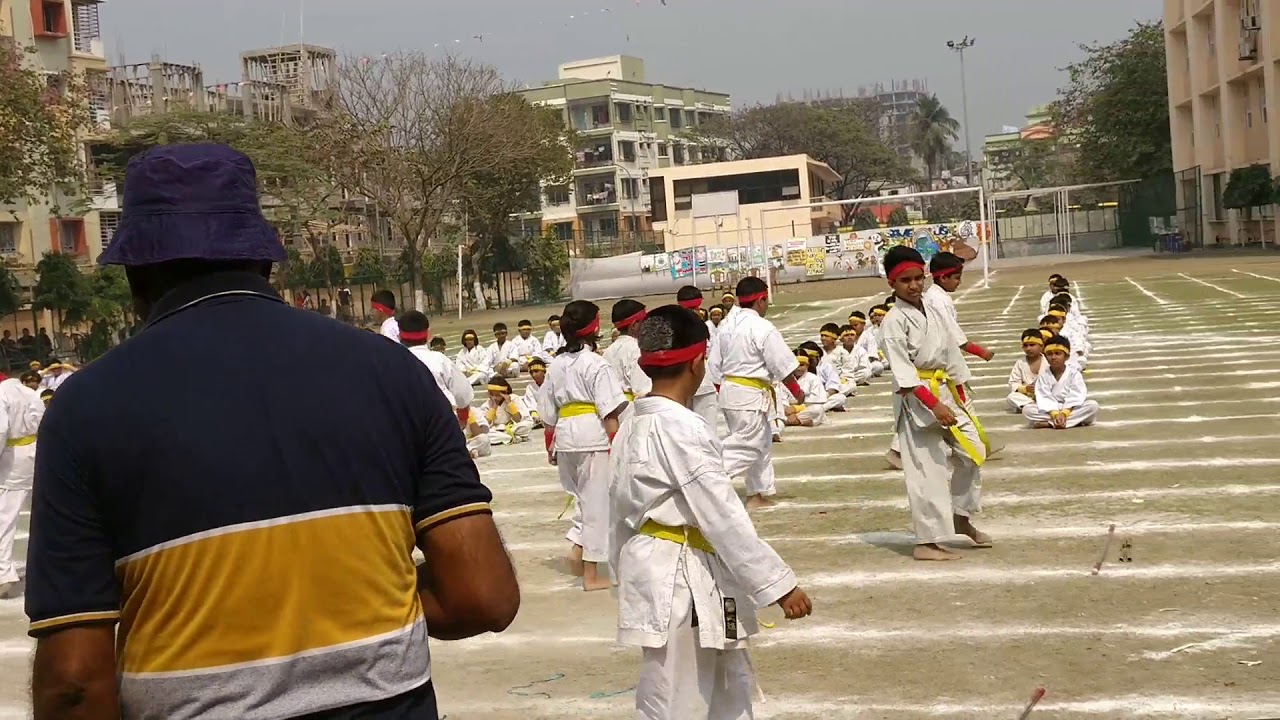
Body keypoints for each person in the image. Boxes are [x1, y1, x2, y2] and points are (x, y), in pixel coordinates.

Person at [24, 144, 519, 720]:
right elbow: (482, 596)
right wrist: (355, 596)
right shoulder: (391, 371)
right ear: (263, 258)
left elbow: (75, 684)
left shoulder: (85, 408)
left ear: (136, 270)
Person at [608, 304, 811, 720]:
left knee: (718, 684)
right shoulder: (681, 427)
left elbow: (617, 506)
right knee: (680, 696)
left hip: (659, 567)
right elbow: (722, 514)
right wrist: (778, 585)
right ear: (699, 361)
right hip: (681, 577)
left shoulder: (634, 420)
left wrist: (621, 573)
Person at [879, 245, 989, 562]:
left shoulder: (933, 307)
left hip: (945, 390)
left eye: (918, 278)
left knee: (974, 452)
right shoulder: (893, 322)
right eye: (905, 281)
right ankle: (926, 542)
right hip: (916, 401)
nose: (914, 286)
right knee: (926, 470)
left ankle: (960, 515)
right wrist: (933, 405)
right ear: (892, 284)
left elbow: (952, 352)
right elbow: (904, 374)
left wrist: (960, 392)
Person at [542, 300, 628, 592]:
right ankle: (591, 574)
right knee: (596, 504)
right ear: (594, 326)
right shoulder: (596, 364)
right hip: (591, 434)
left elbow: (547, 412)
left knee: (582, 498)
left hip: (565, 436)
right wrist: (618, 446)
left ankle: (578, 553)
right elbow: (610, 412)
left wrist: (550, 446)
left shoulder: (556, 364)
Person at [706, 277, 804, 511]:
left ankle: (757, 493)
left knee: (761, 442)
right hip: (749, 393)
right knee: (747, 445)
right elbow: (781, 364)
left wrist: (726, 392)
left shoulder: (726, 326)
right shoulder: (762, 327)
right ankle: (706, 480)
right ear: (761, 300)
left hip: (732, 391)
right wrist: (797, 392)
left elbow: (714, 366)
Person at [0, 370, 44, 599]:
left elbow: (0, 429)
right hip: (34, 452)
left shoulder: (1, 395)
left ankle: (3, 574)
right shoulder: (29, 392)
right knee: (42, 510)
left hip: (12, 458)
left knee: (5, 516)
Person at [400, 311, 475, 433]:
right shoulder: (439, 359)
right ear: (429, 334)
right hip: (442, 424)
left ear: (400, 336)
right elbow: (463, 396)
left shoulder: (395, 362)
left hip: (408, 429)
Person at [1023, 335, 1100, 429]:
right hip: (1051, 410)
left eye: (1057, 353)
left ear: (1066, 356)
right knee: (1028, 410)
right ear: (1045, 356)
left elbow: (1076, 395)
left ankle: (1051, 423)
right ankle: (1070, 422)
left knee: (1092, 406)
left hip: (1070, 409)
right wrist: (1055, 414)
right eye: (1050, 354)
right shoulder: (1043, 376)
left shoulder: (1074, 374)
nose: (1053, 357)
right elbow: (1044, 397)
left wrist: (1064, 413)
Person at [676, 285, 720, 430]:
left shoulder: (672, 326)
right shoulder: (698, 326)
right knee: (706, 431)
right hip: (700, 384)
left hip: (682, 386)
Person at [603, 299, 651, 415]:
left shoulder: (608, 351)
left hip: (613, 412)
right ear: (634, 325)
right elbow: (643, 390)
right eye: (644, 321)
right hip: (632, 412)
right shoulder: (636, 350)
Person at [483, 376, 533, 446]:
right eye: (492, 395)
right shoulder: (487, 404)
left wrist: (509, 403)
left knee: (527, 424)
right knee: (484, 435)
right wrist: (494, 407)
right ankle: (511, 438)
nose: (494, 398)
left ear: (504, 393)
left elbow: (518, 419)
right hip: (497, 429)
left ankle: (506, 437)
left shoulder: (514, 398)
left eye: (497, 395)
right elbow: (485, 425)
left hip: (512, 427)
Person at [784, 349, 828, 427]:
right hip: (786, 410)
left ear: (807, 365)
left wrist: (798, 408)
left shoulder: (813, 378)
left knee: (818, 409)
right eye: (796, 366)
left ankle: (793, 420)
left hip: (805, 409)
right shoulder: (785, 379)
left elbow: (817, 399)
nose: (798, 368)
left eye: (802, 365)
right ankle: (795, 420)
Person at [1006, 329, 1047, 413]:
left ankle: (1031, 408)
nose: (1028, 348)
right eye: (1025, 345)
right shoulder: (1020, 363)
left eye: (1032, 345)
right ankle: (1033, 406)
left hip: (1046, 395)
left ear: (1041, 345)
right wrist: (1025, 389)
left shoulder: (1048, 361)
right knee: (1011, 397)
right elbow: (1013, 383)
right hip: (1028, 397)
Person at [816, 325, 854, 412]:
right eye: (822, 336)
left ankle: (822, 407)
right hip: (822, 384)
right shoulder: (819, 352)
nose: (823, 338)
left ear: (834, 338)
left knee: (850, 386)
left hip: (839, 383)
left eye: (826, 336)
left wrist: (841, 381)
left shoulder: (842, 352)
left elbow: (847, 371)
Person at [850, 310, 884, 378]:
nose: (853, 327)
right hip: (850, 363)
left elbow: (872, 357)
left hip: (865, 364)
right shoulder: (848, 336)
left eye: (856, 325)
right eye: (851, 325)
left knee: (878, 366)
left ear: (863, 324)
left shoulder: (869, 336)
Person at [520, 357, 548, 427]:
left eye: (536, 371)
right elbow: (531, 403)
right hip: (537, 414)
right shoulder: (530, 387)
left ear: (543, 371)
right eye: (531, 372)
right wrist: (535, 414)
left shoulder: (551, 384)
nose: (533, 375)